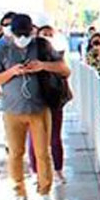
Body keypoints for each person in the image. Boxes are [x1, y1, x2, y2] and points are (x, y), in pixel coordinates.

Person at [0, 14, 69, 200]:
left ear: (32, 31)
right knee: (15, 153)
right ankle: (18, 192)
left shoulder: (42, 45)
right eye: (19, 35)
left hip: (39, 108)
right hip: (12, 110)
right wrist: (12, 72)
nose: (22, 39)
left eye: (26, 34)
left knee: (43, 152)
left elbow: (64, 70)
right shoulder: (1, 48)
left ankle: (44, 191)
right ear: (11, 32)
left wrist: (42, 66)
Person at [28, 25, 69, 184]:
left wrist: (43, 65)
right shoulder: (25, 55)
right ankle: (36, 171)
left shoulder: (56, 55)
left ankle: (57, 170)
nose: (47, 37)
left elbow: (66, 71)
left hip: (53, 99)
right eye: (44, 34)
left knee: (54, 136)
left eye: (50, 34)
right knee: (35, 137)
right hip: (34, 101)